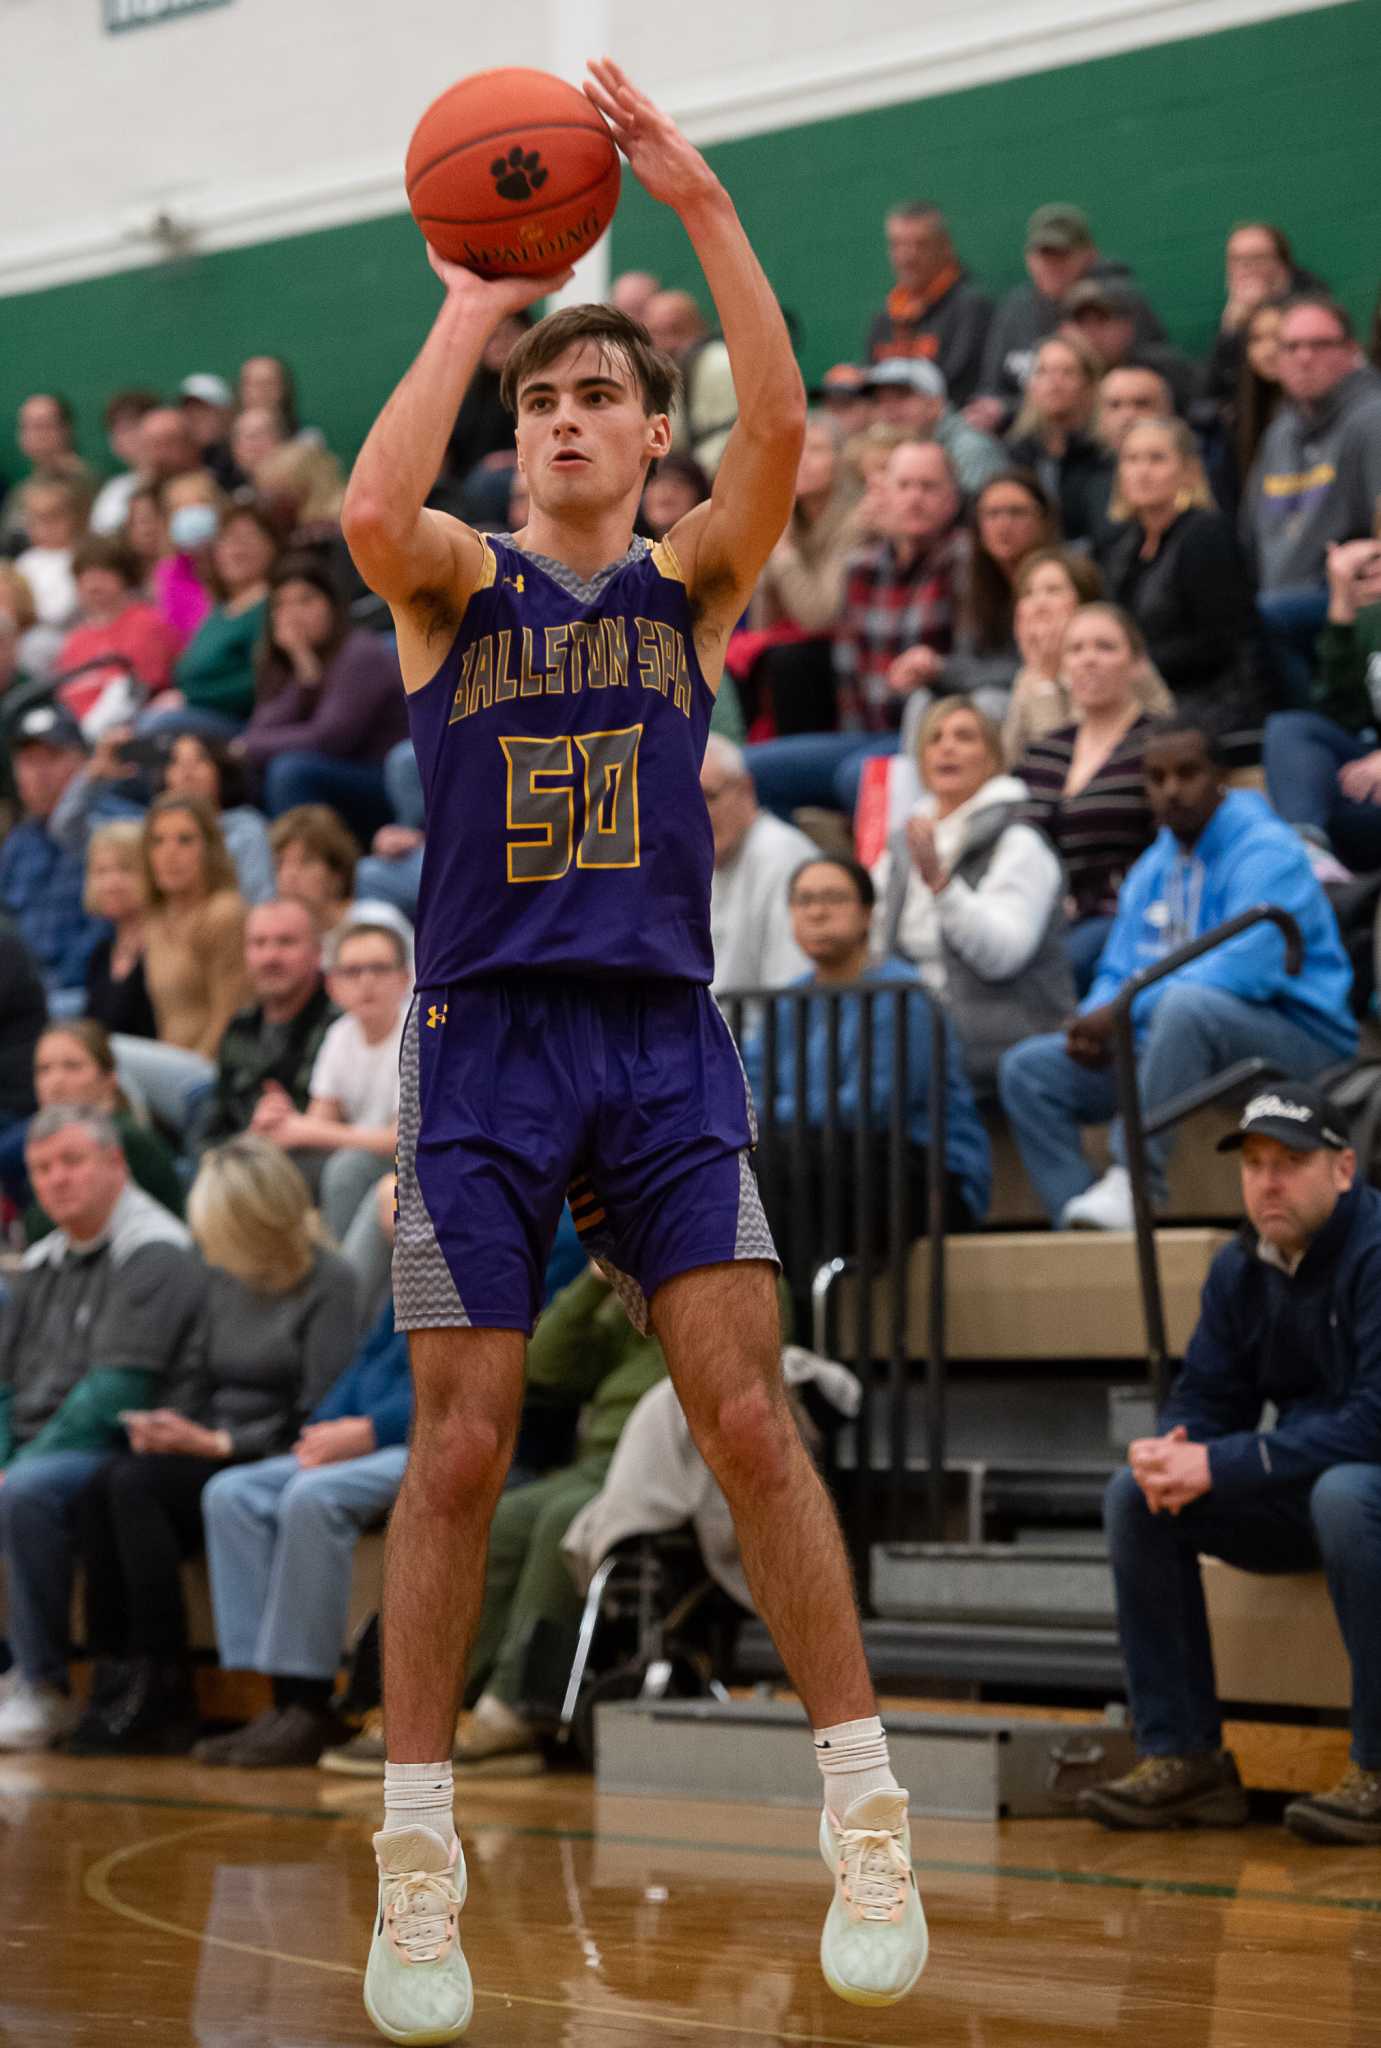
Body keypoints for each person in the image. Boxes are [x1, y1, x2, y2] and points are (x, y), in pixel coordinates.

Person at [339, 56, 926, 2036]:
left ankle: (867, 1810)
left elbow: (779, 416)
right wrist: (475, 297)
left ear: (647, 440)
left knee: (751, 1422)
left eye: (598, 396)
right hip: (486, 1050)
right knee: (461, 1443)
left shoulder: (692, 582)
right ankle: (416, 1853)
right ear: (516, 451)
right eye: (541, 405)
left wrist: (703, 208)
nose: (566, 417)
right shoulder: (452, 590)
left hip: (661, 1046)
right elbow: (361, 501)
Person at [1079, 1083, 1381, 1844]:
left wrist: (1229, 1462)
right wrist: (1172, 1449)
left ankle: (1376, 1768)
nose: (1267, 1182)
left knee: (1346, 1495)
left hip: (1358, 1482)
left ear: (1343, 1169)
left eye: (1289, 1161)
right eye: (1252, 1163)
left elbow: (1373, 1423)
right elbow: (1206, 1399)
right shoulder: (1238, 1267)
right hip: (1314, 1487)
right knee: (1134, 1496)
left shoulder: (1376, 1252)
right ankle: (1184, 1759)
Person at [998, 719, 1357, 1230]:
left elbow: (1245, 968)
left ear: (1220, 778)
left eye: (1187, 774)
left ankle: (1134, 1180)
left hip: (1298, 1039)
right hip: (1179, 1038)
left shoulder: (1267, 850)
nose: (1171, 791)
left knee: (1186, 1005)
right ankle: (1084, 1228)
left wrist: (1120, 1011)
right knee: (1030, 1070)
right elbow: (1118, 968)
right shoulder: (1151, 867)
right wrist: (1093, 1018)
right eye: (1156, 778)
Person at [64, 1136, 358, 1756]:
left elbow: (319, 1408)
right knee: (101, 1484)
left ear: (252, 1221)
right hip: (208, 1441)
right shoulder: (221, 1278)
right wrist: (168, 1425)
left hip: (271, 1450)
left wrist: (221, 1441)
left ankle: (167, 1687)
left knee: (133, 1489)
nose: (207, 1244)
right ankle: (116, 1675)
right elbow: (195, 1376)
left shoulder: (330, 1281)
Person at [0, 1106, 204, 1753]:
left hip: (118, 1444)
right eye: (40, 1169)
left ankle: (44, 1686)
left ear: (115, 1164)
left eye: (71, 1162)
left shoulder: (155, 1249)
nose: (55, 1180)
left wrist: (16, 1461)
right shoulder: (43, 1258)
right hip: (38, 1443)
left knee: (24, 1490)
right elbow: (4, 1384)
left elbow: (115, 1394)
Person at [198, 1285, 413, 1770]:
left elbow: (476, 1384)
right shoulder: (422, 1257)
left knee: (313, 1497)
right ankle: (276, 1698)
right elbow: (368, 1361)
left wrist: (371, 1431)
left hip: (427, 1436)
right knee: (232, 1494)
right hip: (367, 1436)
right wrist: (325, 1428)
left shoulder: (535, 1248)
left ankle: (310, 1702)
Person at [743, 853, 992, 1245]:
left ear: (867, 913)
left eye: (833, 899)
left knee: (778, 1157)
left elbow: (872, 1106)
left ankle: (793, 1298)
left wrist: (776, 1115)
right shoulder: (787, 1002)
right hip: (821, 1161)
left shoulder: (903, 996)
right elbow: (748, 1094)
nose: (817, 912)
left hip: (922, 1172)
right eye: (804, 901)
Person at [746, 438, 965, 817]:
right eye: (905, 486)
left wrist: (938, 670)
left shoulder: (966, 561)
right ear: (885, 495)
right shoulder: (860, 566)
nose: (915, 498)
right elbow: (847, 672)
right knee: (744, 771)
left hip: (929, 738)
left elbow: (980, 662)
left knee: (857, 777)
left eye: (928, 487)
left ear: (952, 498)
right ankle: (810, 873)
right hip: (862, 736)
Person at [870, 700, 1072, 1091]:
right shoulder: (901, 843)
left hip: (1001, 1031)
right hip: (909, 1026)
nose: (947, 748)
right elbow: (875, 942)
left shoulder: (1019, 841)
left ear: (993, 758)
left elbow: (1002, 956)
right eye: (935, 738)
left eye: (964, 737)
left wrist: (940, 885)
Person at [1014, 604, 1172, 990]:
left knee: (1050, 970)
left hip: (1127, 913)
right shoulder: (1044, 751)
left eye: (1105, 647)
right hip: (1037, 913)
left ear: (1136, 663)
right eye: (1076, 649)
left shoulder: (1160, 743)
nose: (1088, 660)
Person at [1244, 295, 1381, 700]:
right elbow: (1249, 534)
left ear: (1351, 350)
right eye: (1291, 347)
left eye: (1319, 345)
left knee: (1265, 615)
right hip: (1279, 604)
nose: (1304, 358)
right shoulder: (1280, 433)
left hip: (1347, 604)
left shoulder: (1371, 420)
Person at [250, 918, 408, 1242]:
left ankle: (340, 1283)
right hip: (357, 1156)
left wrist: (305, 1128)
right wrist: (280, 1121)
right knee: (262, 1165)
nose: (366, 981)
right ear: (333, 985)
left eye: (379, 969)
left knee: (347, 1170)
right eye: (352, 971)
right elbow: (319, 1122)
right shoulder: (340, 1034)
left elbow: (401, 1140)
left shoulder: (417, 1033)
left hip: (407, 1168)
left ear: (404, 979)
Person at [1095, 417, 1261, 726]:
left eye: (1157, 459)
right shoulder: (1123, 544)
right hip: (1142, 693)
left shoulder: (1205, 533)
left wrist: (1136, 664)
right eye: (1131, 459)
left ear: (1188, 471)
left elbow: (1221, 642)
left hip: (1209, 699)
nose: (1142, 471)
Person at [239, 555, 407, 838]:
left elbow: (328, 739)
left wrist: (247, 746)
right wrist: (304, 672)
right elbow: (262, 729)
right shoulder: (285, 663)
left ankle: (308, 864)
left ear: (331, 605)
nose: (293, 614)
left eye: (305, 601)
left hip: (380, 777)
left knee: (289, 770)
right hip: (335, 771)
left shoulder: (361, 653)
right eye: (282, 605)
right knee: (248, 777)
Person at [970, 204, 1163, 432]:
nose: (1051, 265)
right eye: (1043, 254)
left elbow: (1146, 386)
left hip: (1099, 434)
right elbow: (991, 387)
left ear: (1089, 254)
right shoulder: (1017, 306)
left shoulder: (1117, 301)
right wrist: (994, 409)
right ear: (1029, 258)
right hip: (1026, 437)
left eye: (1062, 254)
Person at [735, 415, 861, 736]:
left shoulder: (858, 523)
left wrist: (782, 552)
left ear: (841, 461)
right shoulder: (793, 521)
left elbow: (819, 617)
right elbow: (764, 623)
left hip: (846, 664)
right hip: (804, 664)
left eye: (816, 450)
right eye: (795, 450)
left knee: (789, 661)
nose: (801, 460)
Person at [1262, 535, 1381, 872]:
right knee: (1289, 728)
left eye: (1377, 560)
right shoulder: (1372, 623)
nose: (1370, 575)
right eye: (1359, 572)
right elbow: (1340, 712)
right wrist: (1342, 605)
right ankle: (1307, 852)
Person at [9, 1019, 185, 1240]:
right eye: (44, 1070)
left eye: (72, 1066)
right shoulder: (46, 1143)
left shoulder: (127, 1139)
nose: (55, 1081)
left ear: (109, 1079)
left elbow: (46, 1229)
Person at [194, 895, 337, 1152]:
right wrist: (251, 1138)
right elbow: (209, 1135)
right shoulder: (239, 1026)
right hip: (242, 1164)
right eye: (259, 943)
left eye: (286, 942)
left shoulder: (338, 1027)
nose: (270, 957)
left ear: (318, 953)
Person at [0, 703, 110, 1001]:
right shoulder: (17, 844)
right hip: (19, 991)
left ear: (83, 761)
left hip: (80, 994)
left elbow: (105, 932)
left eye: (52, 758)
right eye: (28, 761)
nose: (38, 774)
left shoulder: (106, 832)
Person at [702, 735, 814, 995]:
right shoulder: (684, 863)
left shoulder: (783, 856)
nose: (696, 813)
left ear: (745, 790)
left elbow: (789, 992)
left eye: (709, 797)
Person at [940, 470, 1057, 713]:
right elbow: (967, 655)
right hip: (986, 688)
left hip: (1050, 695)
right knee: (922, 699)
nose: (1004, 524)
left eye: (1016, 513)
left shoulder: (1058, 578)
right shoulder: (973, 580)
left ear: (1043, 520)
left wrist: (945, 672)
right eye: (992, 514)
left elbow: (1030, 667)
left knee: (987, 702)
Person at [161, 502, 280, 734]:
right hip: (194, 712)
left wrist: (190, 698)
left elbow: (262, 680)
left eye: (247, 540)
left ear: (272, 545)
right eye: (227, 541)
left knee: (156, 725)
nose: (235, 551)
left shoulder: (274, 605)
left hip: (242, 723)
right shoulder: (220, 609)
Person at [864, 202, 993, 407]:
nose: (907, 256)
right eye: (897, 245)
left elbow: (957, 390)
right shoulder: (883, 316)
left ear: (945, 246)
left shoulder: (970, 307)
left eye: (920, 244)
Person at [1000, 547, 1107, 761]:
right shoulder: (1029, 674)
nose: (1039, 605)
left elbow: (1063, 764)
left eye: (1053, 591)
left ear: (1084, 602)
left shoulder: (1104, 659)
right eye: (1028, 594)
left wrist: (1046, 680)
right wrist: (1039, 674)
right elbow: (1009, 762)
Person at [1005, 333, 1113, 544]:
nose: (1054, 382)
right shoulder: (1017, 452)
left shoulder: (1105, 454)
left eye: (1067, 372)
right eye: (1043, 372)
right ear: (1031, 385)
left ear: (1089, 384)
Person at [56, 535, 180, 720]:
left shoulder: (148, 623)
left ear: (124, 577)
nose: (93, 585)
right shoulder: (75, 640)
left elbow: (149, 688)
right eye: (85, 576)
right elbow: (66, 697)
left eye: (103, 574)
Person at [159, 730, 275, 905]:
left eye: (199, 759)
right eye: (177, 761)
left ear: (221, 770)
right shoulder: (150, 829)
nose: (186, 770)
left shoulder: (248, 830)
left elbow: (260, 900)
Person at [865, 358, 1007, 495]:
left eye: (902, 396)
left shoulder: (970, 448)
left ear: (935, 403)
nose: (889, 408)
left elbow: (979, 514)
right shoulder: (886, 446)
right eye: (880, 400)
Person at [1060, 278, 1199, 415]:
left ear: (1127, 327)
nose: (1090, 332)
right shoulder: (1056, 380)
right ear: (1064, 329)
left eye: (1101, 320)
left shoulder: (1165, 370)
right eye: (1081, 322)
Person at [642, 287, 739, 476]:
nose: (663, 343)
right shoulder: (652, 375)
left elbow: (727, 445)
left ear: (699, 329)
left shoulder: (722, 365)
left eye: (674, 331)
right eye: (655, 332)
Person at [82, 819, 157, 1041]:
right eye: (101, 872)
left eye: (125, 869)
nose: (111, 884)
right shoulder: (101, 954)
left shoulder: (165, 947)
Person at [269, 802, 361, 934]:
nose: (289, 875)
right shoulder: (271, 936)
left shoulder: (369, 922)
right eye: (280, 864)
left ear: (337, 874)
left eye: (306, 862)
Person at [89, 390, 161, 538]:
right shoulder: (114, 490)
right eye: (118, 429)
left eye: (133, 426)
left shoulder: (184, 484)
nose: (127, 437)